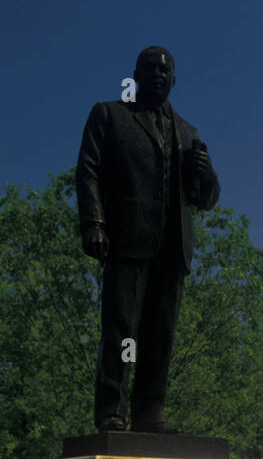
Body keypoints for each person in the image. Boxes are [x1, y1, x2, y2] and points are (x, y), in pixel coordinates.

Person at [76, 47, 220, 432]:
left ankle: (150, 410)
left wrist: (205, 175)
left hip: (171, 247)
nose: (158, 74)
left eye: (165, 70)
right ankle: (113, 409)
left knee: (160, 334)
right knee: (121, 329)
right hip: (126, 239)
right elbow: (88, 170)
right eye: (149, 69)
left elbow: (204, 199)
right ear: (135, 75)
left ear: (174, 79)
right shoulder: (110, 115)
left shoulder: (188, 132)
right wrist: (94, 222)